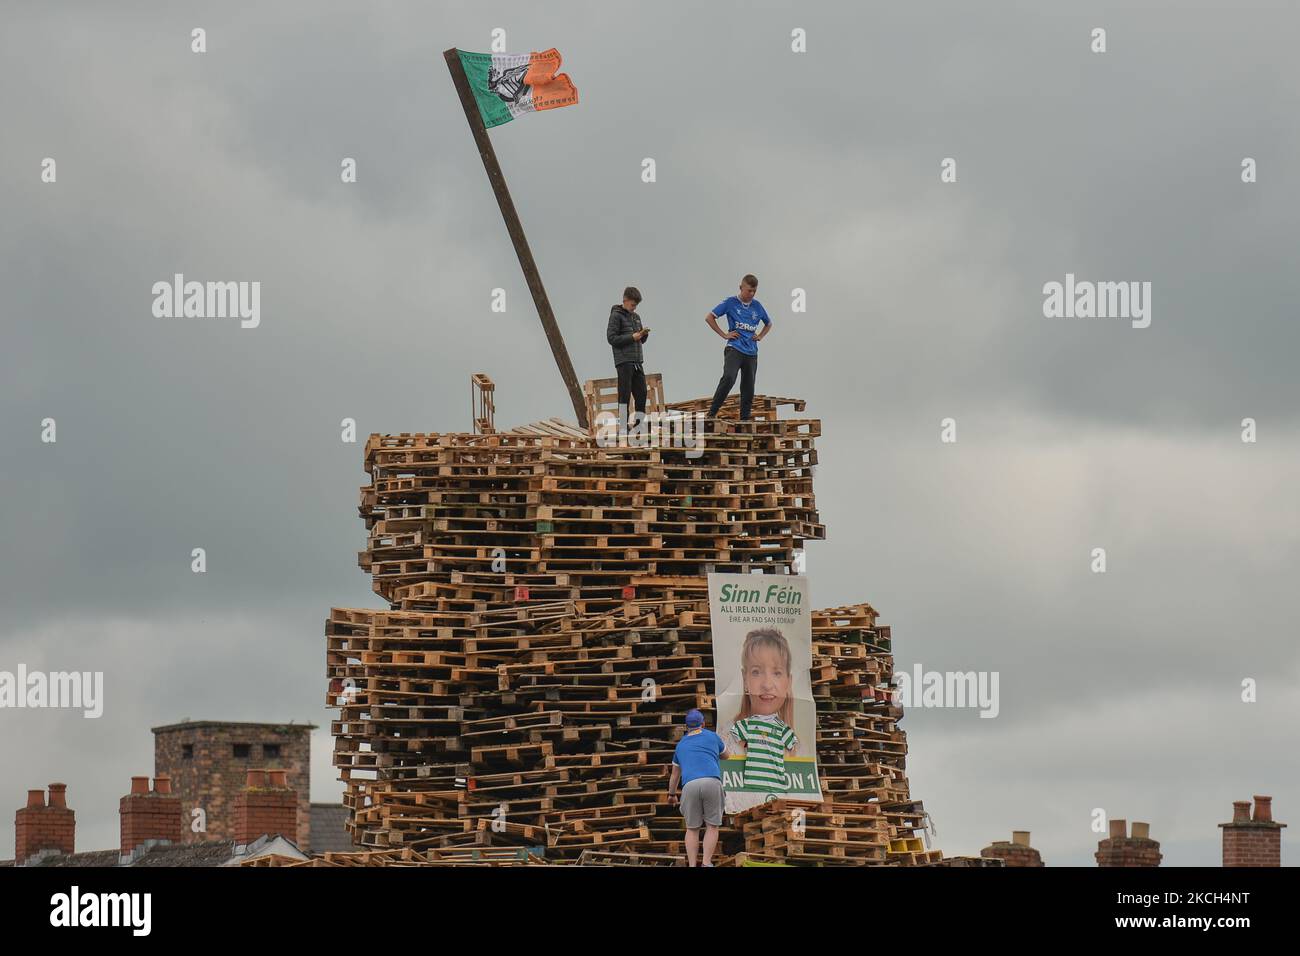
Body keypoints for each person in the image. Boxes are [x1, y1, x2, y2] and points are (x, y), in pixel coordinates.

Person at [722, 627, 800, 814]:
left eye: (777, 673)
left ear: (788, 682)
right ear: (745, 678)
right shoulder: (727, 737)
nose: (766, 684)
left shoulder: (794, 741)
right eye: (756, 672)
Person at [705, 274, 771, 421]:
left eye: (754, 291)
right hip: (734, 348)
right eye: (749, 291)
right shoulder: (730, 302)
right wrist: (724, 334)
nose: (751, 294)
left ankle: (745, 418)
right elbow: (709, 317)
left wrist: (760, 336)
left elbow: (768, 323)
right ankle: (712, 413)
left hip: (751, 352)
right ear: (741, 288)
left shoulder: (757, 306)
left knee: (748, 386)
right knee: (729, 378)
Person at [668, 708, 726, 867]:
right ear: (703, 723)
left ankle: (693, 865)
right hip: (711, 782)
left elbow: (674, 775)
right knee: (712, 826)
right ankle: (706, 863)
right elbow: (726, 755)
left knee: (692, 829)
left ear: (687, 727)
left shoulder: (680, 745)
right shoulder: (712, 737)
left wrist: (672, 794)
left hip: (690, 786)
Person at [606, 286, 650, 429]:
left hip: (637, 361)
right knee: (624, 395)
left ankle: (639, 425)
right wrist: (632, 337)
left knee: (642, 393)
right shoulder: (615, 316)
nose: (634, 308)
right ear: (625, 301)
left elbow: (640, 340)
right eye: (632, 305)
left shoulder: (636, 317)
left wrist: (643, 335)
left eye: (636, 305)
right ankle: (624, 427)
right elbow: (611, 338)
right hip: (624, 361)